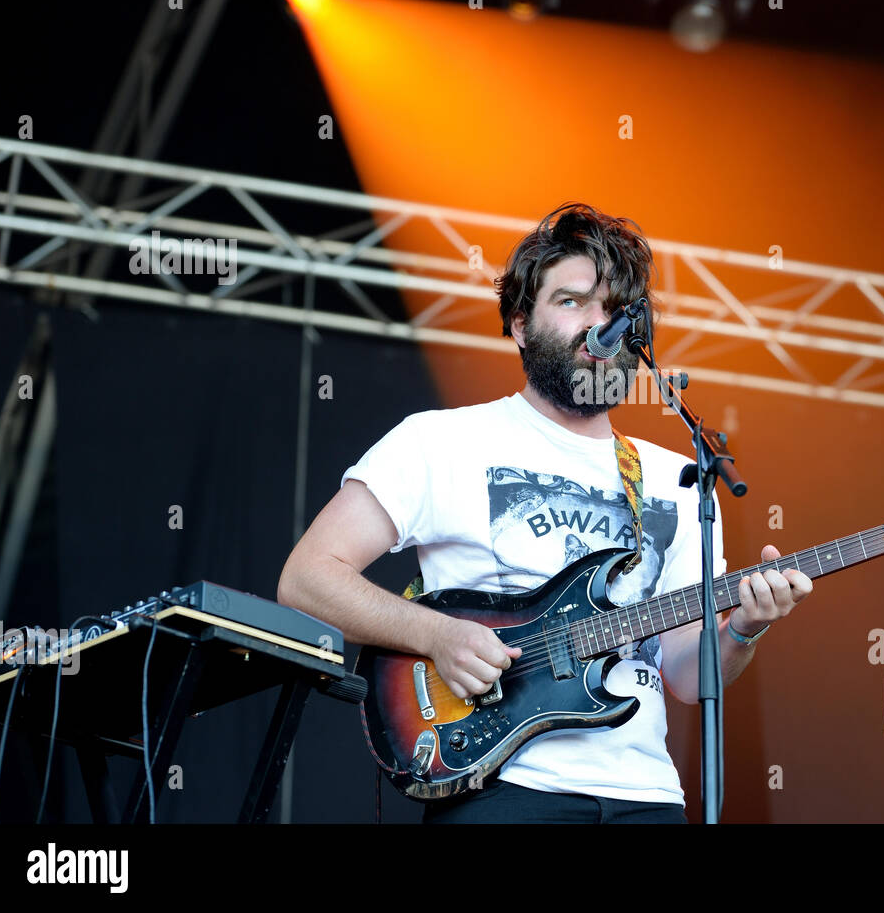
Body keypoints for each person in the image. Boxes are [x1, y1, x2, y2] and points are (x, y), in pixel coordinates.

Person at [277, 201, 812, 823]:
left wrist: (745, 628)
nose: (598, 325)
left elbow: (690, 678)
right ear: (520, 323)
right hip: (503, 786)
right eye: (572, 302)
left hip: (647, 798)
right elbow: (307, 578)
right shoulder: (440, 441)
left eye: (614, 310)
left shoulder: (677, 477)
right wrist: (438, 634)